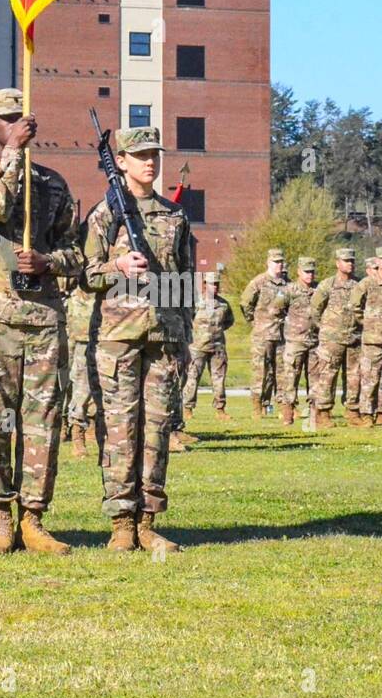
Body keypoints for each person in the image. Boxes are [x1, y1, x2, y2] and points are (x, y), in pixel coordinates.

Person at [0, 88, 84, 554]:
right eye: (7, 121)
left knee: (41, 423)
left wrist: (50, 262)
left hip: (44, 321)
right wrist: (11, 155)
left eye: (22, 120)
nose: (17, 127)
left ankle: (33, 517)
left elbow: (79, 254)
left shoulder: (52, 184)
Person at [82, 126, 192, 553]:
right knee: (120, 429)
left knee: (157, 429)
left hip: (163, 336)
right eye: (141, 155)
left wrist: (184, 334)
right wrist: (118, 266)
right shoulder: (105, 214)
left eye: (154, 155)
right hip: (119, 337)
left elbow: (183, 280)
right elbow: (86, 274)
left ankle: (148, 521)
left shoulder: (174, 215)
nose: (150, 162)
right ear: (122, 161)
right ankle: (121, 524)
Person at [310, 247, 363, 428]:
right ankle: (323, 412)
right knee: (328, 375)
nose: (350, 264)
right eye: (346, 260)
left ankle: (352, 410)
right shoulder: (327, 285)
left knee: (354, 375)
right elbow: (315, 310)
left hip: (354, 337)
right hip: (332, 339)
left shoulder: (359, 284)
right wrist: (326, 329)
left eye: (352, 261)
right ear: (337, 263)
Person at [349, 248, 382, 426]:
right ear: (377, 261)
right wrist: (366, 322)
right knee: (370, 379)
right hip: (373, 339)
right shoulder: (367, 283)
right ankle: (367, 414)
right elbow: (355, 304)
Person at [239, 249, 288, 418]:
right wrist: (255, 322)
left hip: (282, 336)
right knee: (261, 372)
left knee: (282, 372)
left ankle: (283, 406)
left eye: (281, 261)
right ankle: (257, 406)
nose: (279, 264)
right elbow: (245, 303)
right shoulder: (259, 282)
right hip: (263, 334)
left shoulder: (287, 283)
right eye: (275, 261)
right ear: (268, 263)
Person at [274, 256, 319, 425]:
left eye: (312, 272)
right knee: (291, 377)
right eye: (306, 272)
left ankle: (314, 414)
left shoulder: (319, 289)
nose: (310, 275)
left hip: (315, 341)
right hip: (295, 341)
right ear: (299, 272)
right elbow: (276, 308)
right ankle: (288, 412)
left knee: (315, 379)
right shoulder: (289, 290)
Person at [184, 271, 235, 420]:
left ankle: (220, 409)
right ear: (205, 285)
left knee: (219, 380)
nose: (215, 287)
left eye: (217, 284)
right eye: (212, 284)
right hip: (197, 347)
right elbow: (188, 320)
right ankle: (188, 409)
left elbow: (228, 321)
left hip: (217, 348)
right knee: (192, 378)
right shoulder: (196, 303)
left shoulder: (223, 305)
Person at [64, 270, 96, 456]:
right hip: (80, 322)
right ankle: (75, 430)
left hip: (109, 324)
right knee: (77, 382)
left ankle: (87, 428)